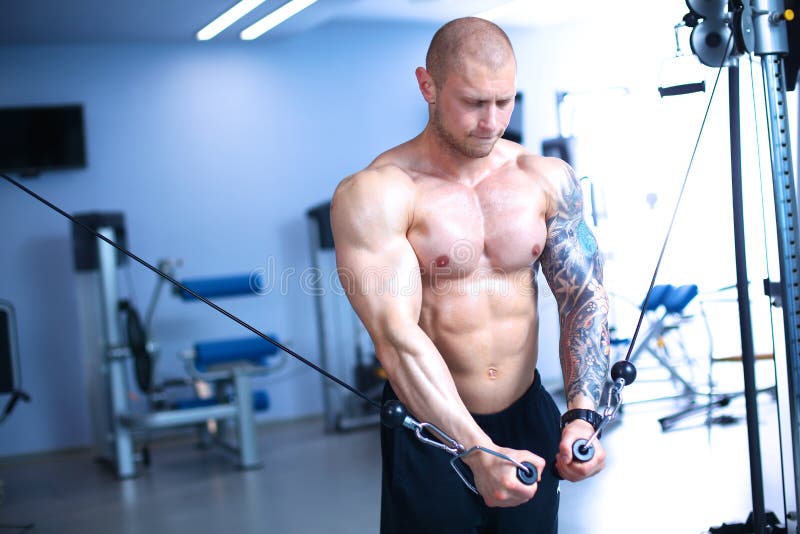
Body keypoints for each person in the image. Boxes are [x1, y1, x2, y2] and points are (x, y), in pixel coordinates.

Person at [330, 16, 609, 534]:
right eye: (474, 103)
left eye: (505, 102)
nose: (492, 121)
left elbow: (583, 299)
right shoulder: (378, 193)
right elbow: (396, 339)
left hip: (529, 412)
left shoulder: (544, 179)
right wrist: (475, 449)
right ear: (427, 86)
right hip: (431, 427)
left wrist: (582, 413)